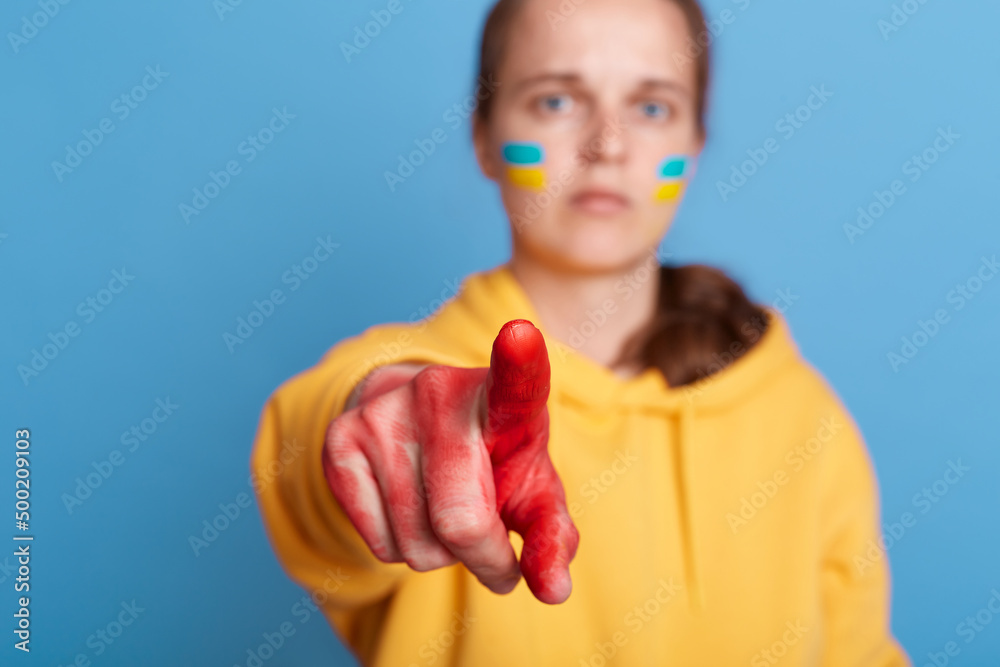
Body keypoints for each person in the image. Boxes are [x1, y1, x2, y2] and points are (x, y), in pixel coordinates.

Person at [250, 0, 912, 664]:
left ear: (694, 144)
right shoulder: (405, 370)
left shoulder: (803, 416)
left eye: (653, 108)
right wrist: (386, 423)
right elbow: (314, 456)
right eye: (557, 101)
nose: (609, 145)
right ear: (482, 135)